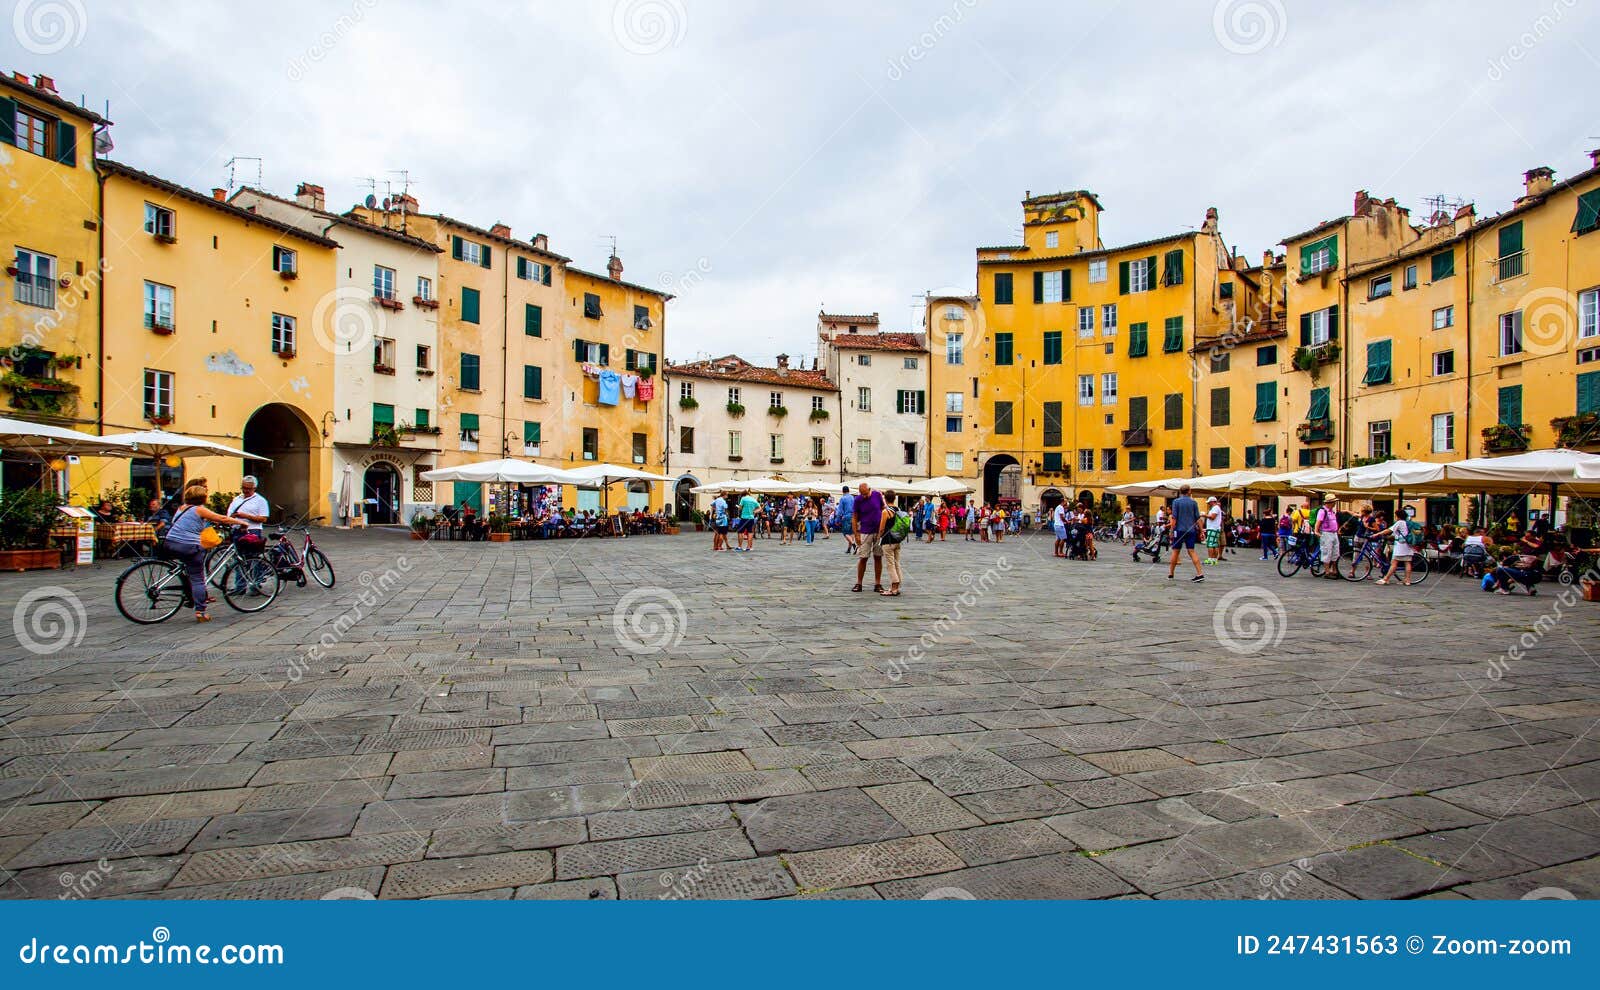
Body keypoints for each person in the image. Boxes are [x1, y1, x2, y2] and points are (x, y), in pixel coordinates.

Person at [161, 480, 251, 622]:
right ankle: (201, 612)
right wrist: (242, 522)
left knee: (189, 570)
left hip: (170, 542)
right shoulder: (200, 509)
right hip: (188, 546)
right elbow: (221, 518)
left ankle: (190, 594)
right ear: (202, 497)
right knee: (198, 578)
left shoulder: (181, 508)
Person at [1166, 484, 1205, 581]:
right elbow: (1198, 518)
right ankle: (1200, 573)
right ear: (1189, 491)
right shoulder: (1194, 503)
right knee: (1191, 551)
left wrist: (1171, 530)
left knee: (1175, 551)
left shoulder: (1176, 502)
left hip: (1179, 530)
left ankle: (1171, 574)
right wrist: (1202, 531)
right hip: (1191, 530)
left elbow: (1174, 518)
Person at [851, 482, 886, 593]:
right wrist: (856, 534)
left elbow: (883, 510)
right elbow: (855, 517)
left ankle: (878, 583)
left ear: (870, 489)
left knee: (878, 557)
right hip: (865, 531)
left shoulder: (877, 495)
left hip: (879, 531)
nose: (864, 496)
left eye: (866, 494)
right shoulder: (858, 500)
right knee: (863, 557)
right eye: (862, 494)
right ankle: (859, 583)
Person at [1374, 507, 1419, 586]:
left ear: (1398, 516)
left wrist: (1377, 534)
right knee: (1407, 562)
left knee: (1394, 563)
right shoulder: (1408, 522)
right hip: (1409, 545)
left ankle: (1386, 579)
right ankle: (1407, 580)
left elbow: (1389, 530)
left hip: (1400, 546)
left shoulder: (1400, 522)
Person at [878, 487, 905, 596]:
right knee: (897, 563)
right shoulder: (898, 509)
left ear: (885, 498)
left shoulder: (885, 511)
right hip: (897, 540)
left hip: (888, 541)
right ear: (894, 499)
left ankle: (894, 587)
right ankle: (897, 587)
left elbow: (881, 528)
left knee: (890, 564)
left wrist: (879, 537)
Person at [1314, 495, 1341, 579]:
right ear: (1330, 502)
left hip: (1334, 533)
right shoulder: (1322, 511)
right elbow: (1318, 522)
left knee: (1335, 552)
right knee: (1327, 551)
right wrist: (1316, 531)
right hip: (1326, 533)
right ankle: (1327, 571)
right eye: (1334, 502)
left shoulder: (1332, 511)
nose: (1335, 503)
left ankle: (1334, 570)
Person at [835, 486, 857, 555]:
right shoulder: (852, 498)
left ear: (842, 491)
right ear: (849, 491)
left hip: (846, 517)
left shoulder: (842, 498)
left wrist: (837, 519)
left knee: (845, 533)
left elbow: (840, 510)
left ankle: (854, 544)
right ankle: (849, 549)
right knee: (851, 533)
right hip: (853, 516)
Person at [1204, 496, 1225, 564]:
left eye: (1209, 503)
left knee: (1210, 544)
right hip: (1215, 528)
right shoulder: (1216, 508)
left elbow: (1212, 517)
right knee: (1215, 544)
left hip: (1213, 528)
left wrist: (1204, 515)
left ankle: (1210, 559)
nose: (1208, 504)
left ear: (1212, 502)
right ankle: (1214, 560)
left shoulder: (1215, 508)